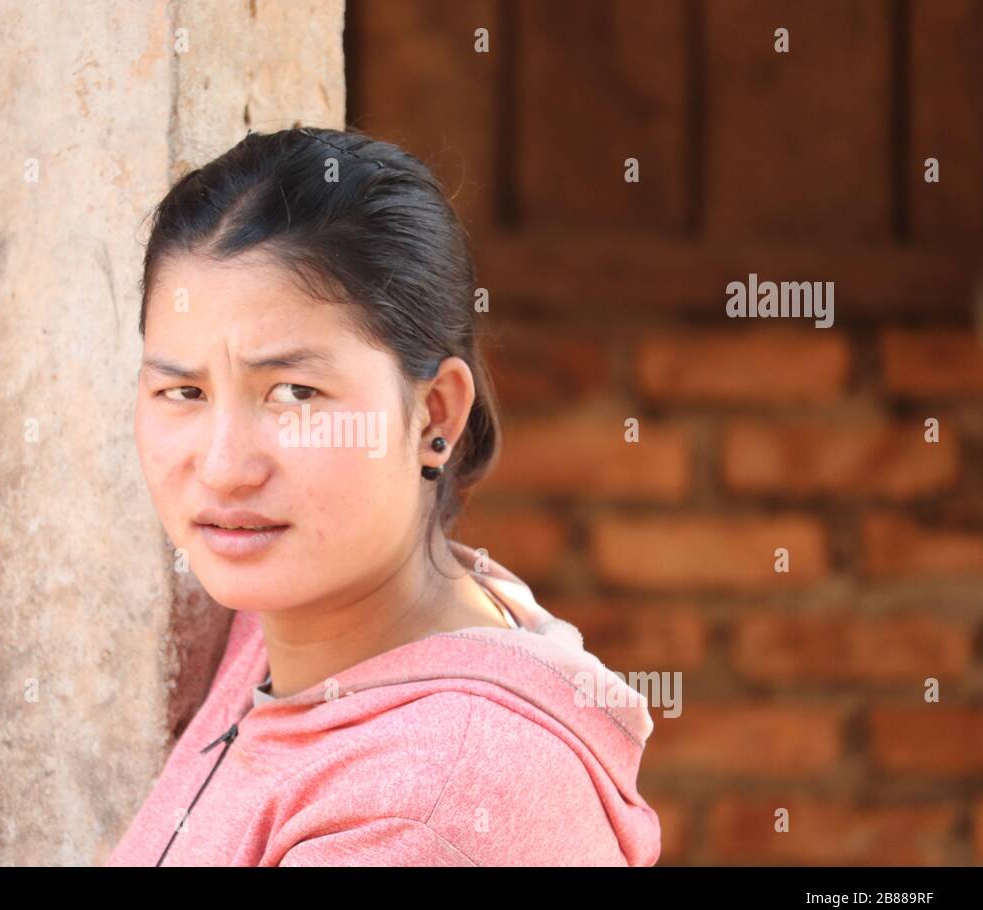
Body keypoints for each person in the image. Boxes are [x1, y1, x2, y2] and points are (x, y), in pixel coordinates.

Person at [105, 126, 661, 866]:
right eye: (183, 391)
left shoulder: (426, 811)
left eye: (295, 392)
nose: (223, 466)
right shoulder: (281, 634)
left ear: (434, 415)